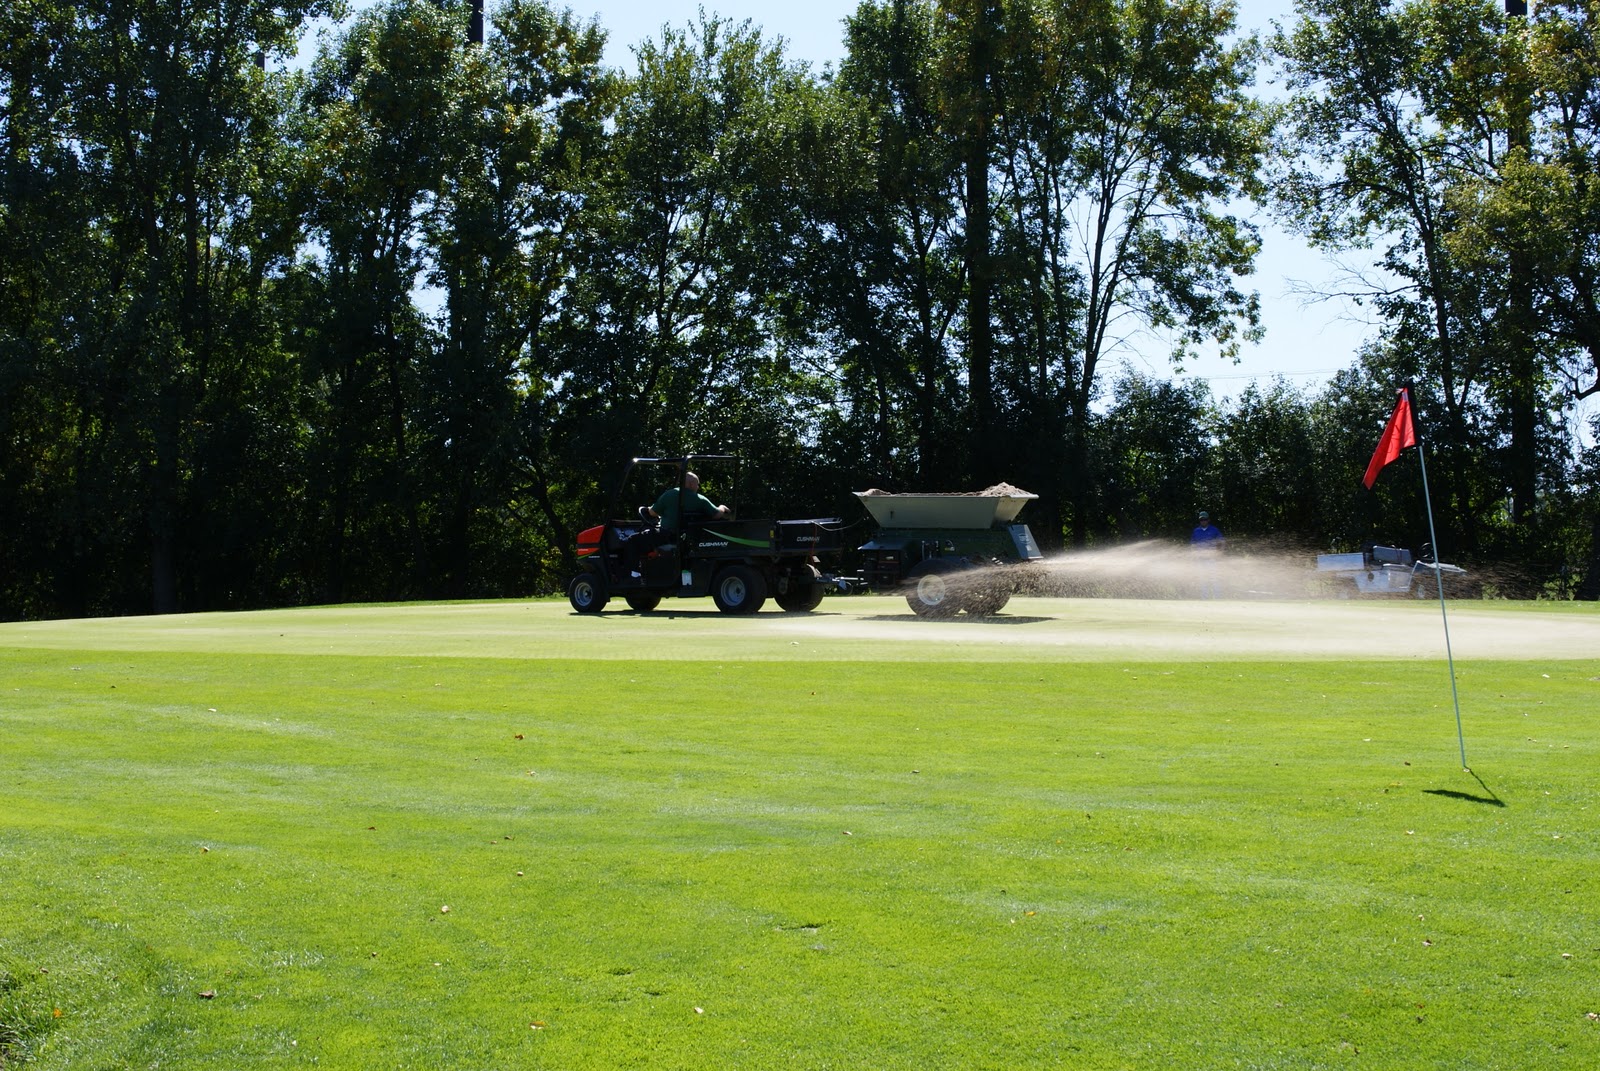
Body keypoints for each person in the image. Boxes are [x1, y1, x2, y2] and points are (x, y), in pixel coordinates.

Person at [625, 471, 731, 577]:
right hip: (686, 538)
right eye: (697, 484)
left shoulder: (669, 495)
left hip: (665, 536)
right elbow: (716, 514)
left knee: (632, 540)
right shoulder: (700, 500)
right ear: (690, 484)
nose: (698, 487)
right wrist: (722, 507)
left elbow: (652, 512)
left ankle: (634, 574)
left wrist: (648, 509)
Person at [1190, 510, 1224, 598]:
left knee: (1214, 579)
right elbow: (1193, 544)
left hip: (1212, 559)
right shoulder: (1196, 531)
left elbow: (1221, 542)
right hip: (1200, 559)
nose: (1203, 521)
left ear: (1208, 520)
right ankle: (1204, 599)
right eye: (1201, 520)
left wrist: (1218, 553)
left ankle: (1217, 599)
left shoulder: (1214, 530)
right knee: (1202, 580)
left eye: (1205, 519)